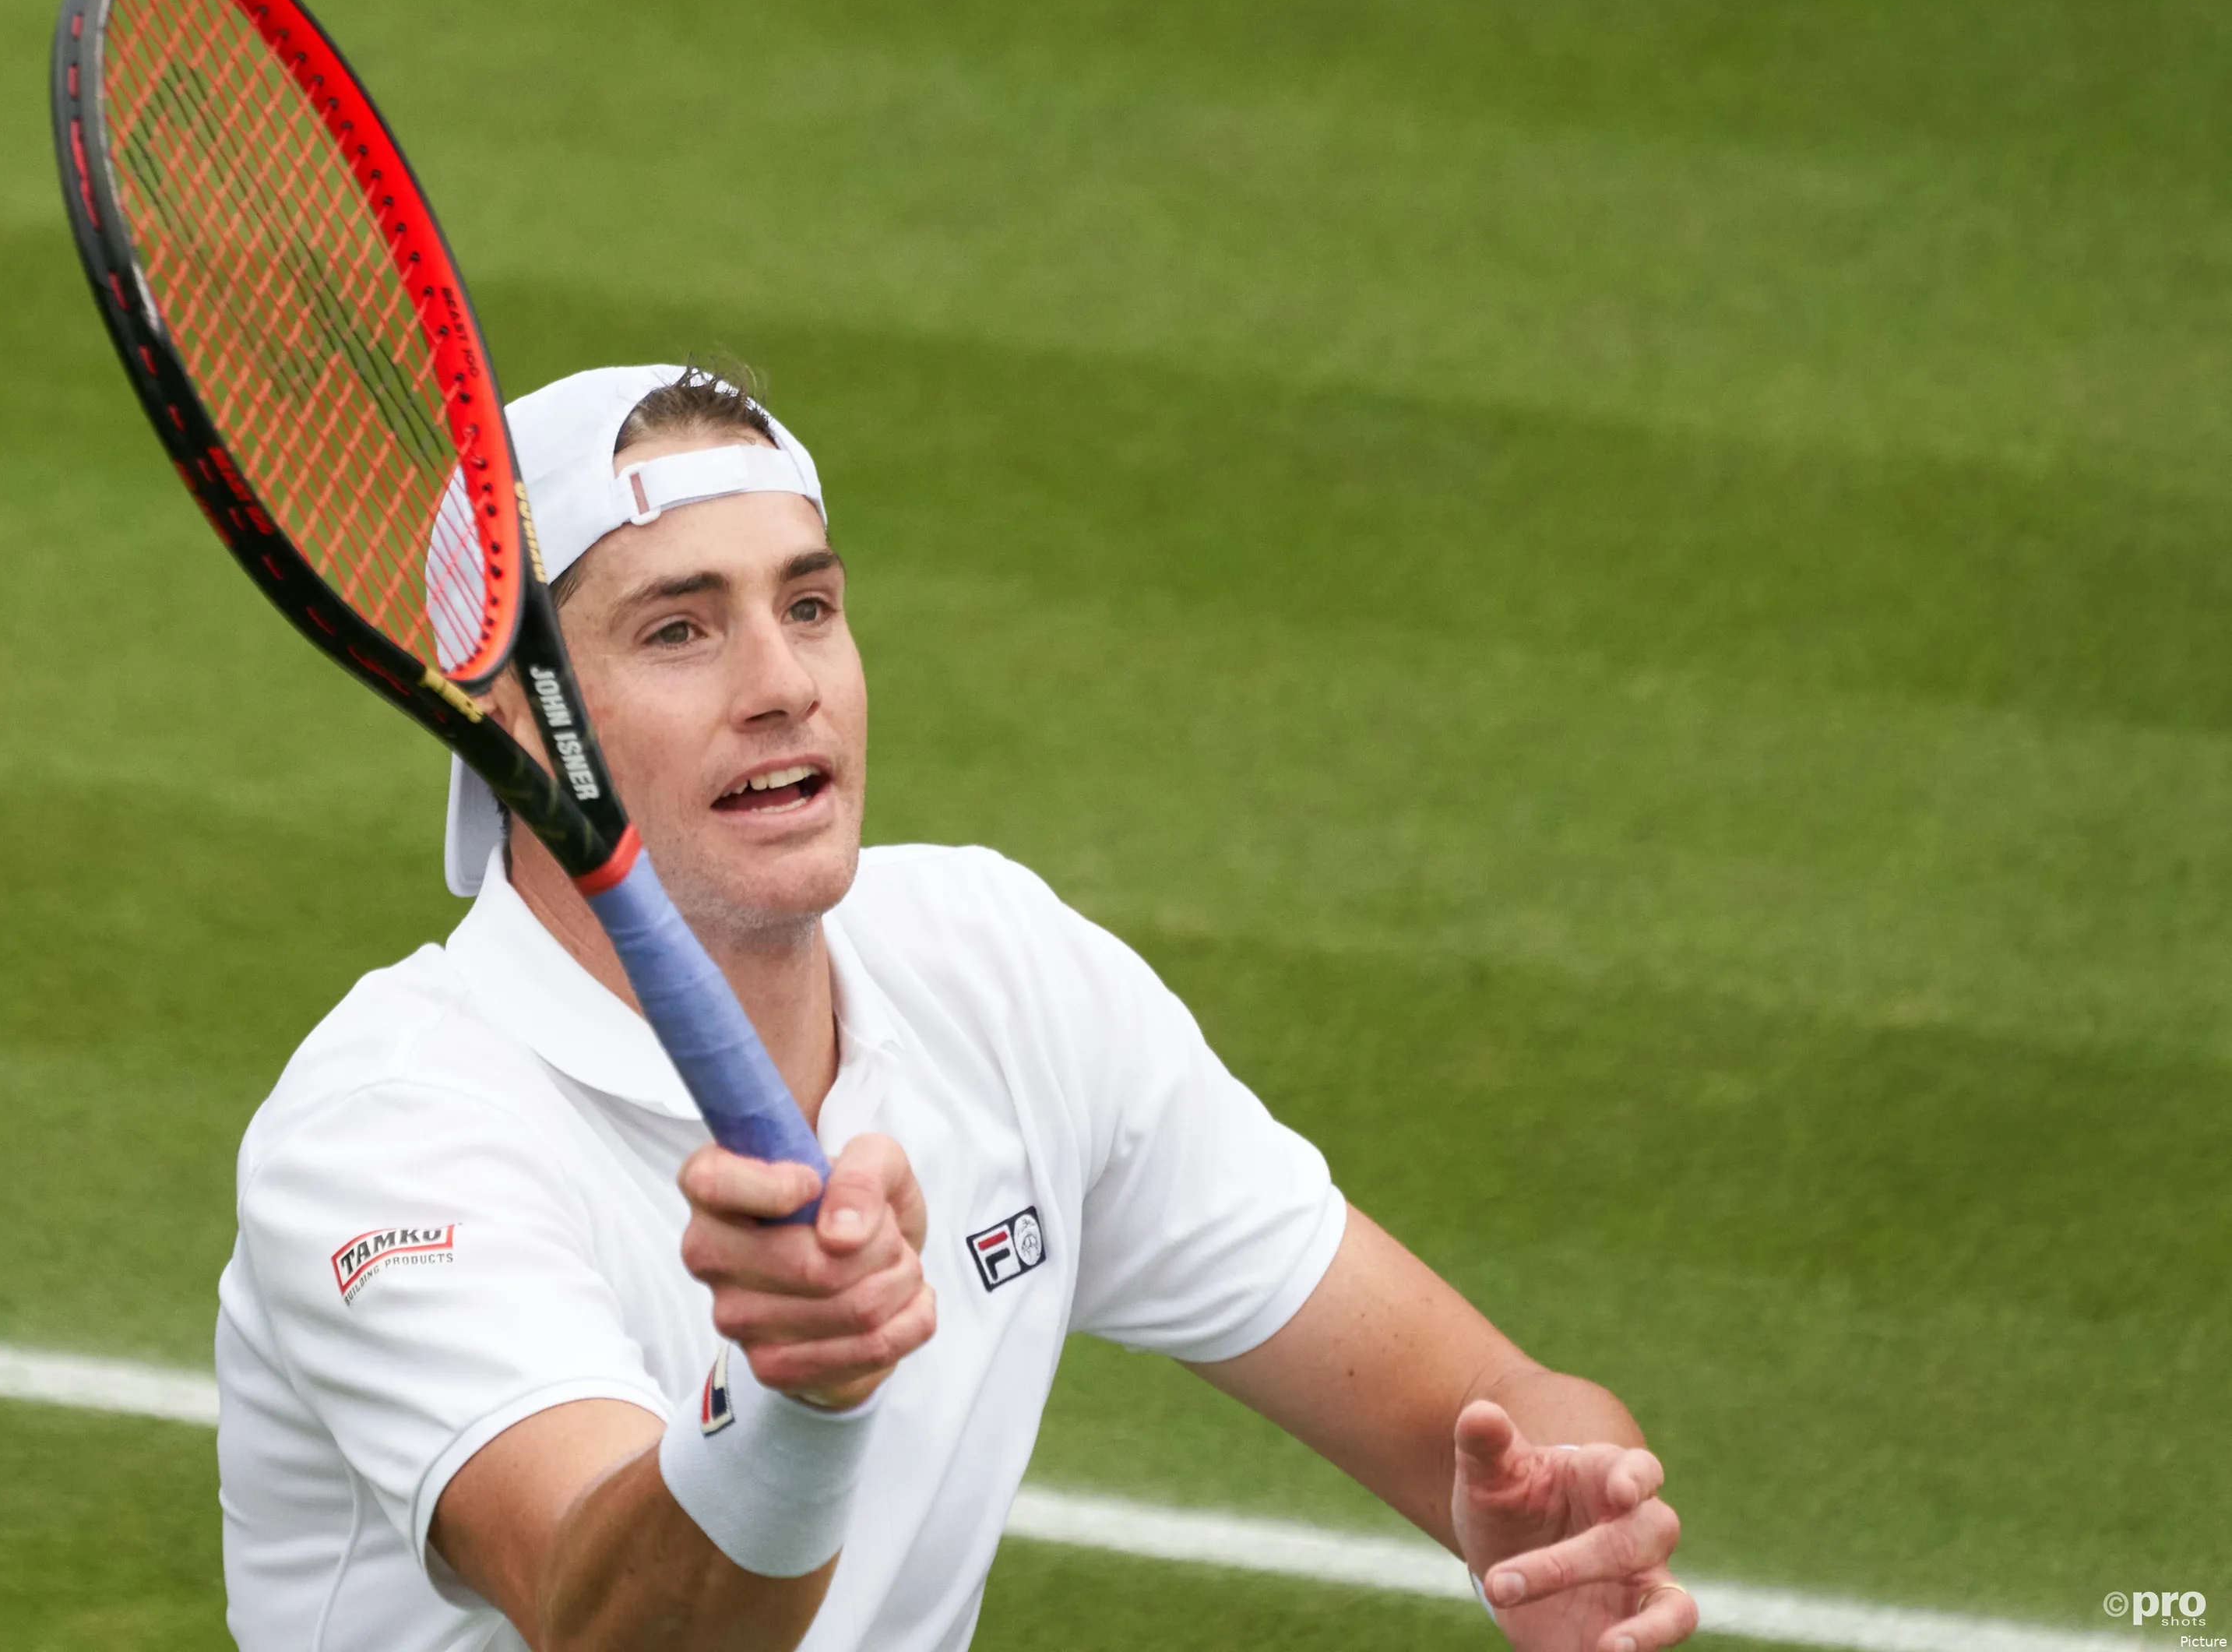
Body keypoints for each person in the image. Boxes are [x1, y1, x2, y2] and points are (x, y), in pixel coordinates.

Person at [214, 364, 1695, 1652]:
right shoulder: (390, 1136)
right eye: (681, 629)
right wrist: (799, 1400)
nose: (783, 682)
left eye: (811, 605)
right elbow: (623, 1634)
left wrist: (1565, 1508)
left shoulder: (1001, 966)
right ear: (509, 715)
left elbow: (1479, 1409)